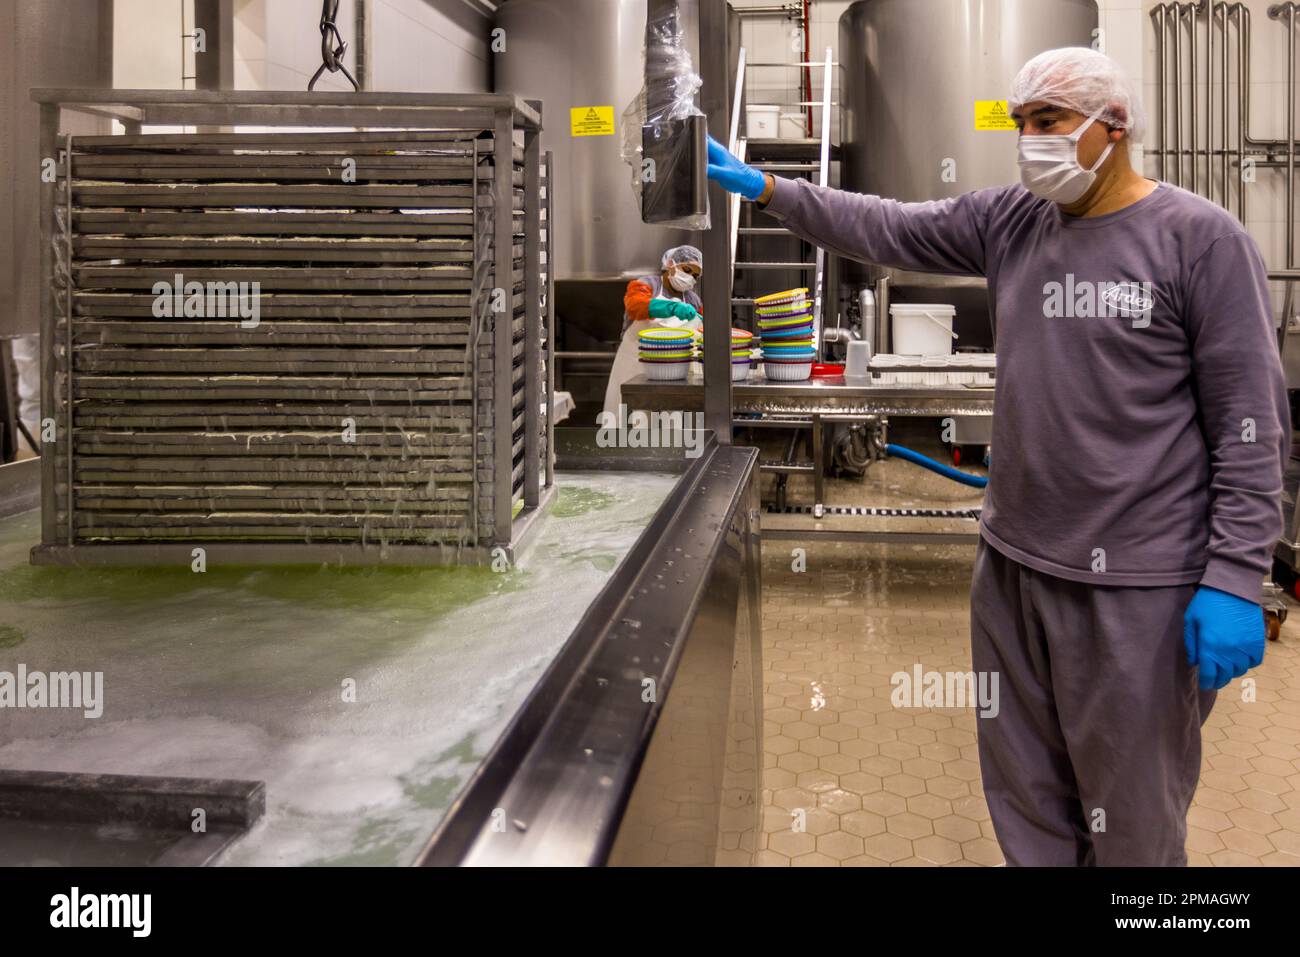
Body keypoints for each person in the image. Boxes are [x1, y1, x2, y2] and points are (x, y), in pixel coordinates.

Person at [707, 46, 1290, 866]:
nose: (1028, 142)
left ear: (1111, 128)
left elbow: (1251, 426)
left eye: (1047, 122)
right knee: (1027, 804)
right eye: (1022, 124)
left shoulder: (1201, 241)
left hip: (1138, 587)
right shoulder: (1013, 220)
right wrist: (772, 190)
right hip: (1012, 566)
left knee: (1132, 823)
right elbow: (890, 225)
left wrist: (1235, 574)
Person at [602, 244, 704, 421]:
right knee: (626, 414)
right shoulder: (646, 284)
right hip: (635, 362)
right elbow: (635, 306)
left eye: (695, 275)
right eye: (687, 270)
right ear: (671, 264)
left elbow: (702, 329)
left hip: (673, 369)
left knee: (666, 420)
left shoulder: (693, 299)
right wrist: (671, 307)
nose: (690, 278)